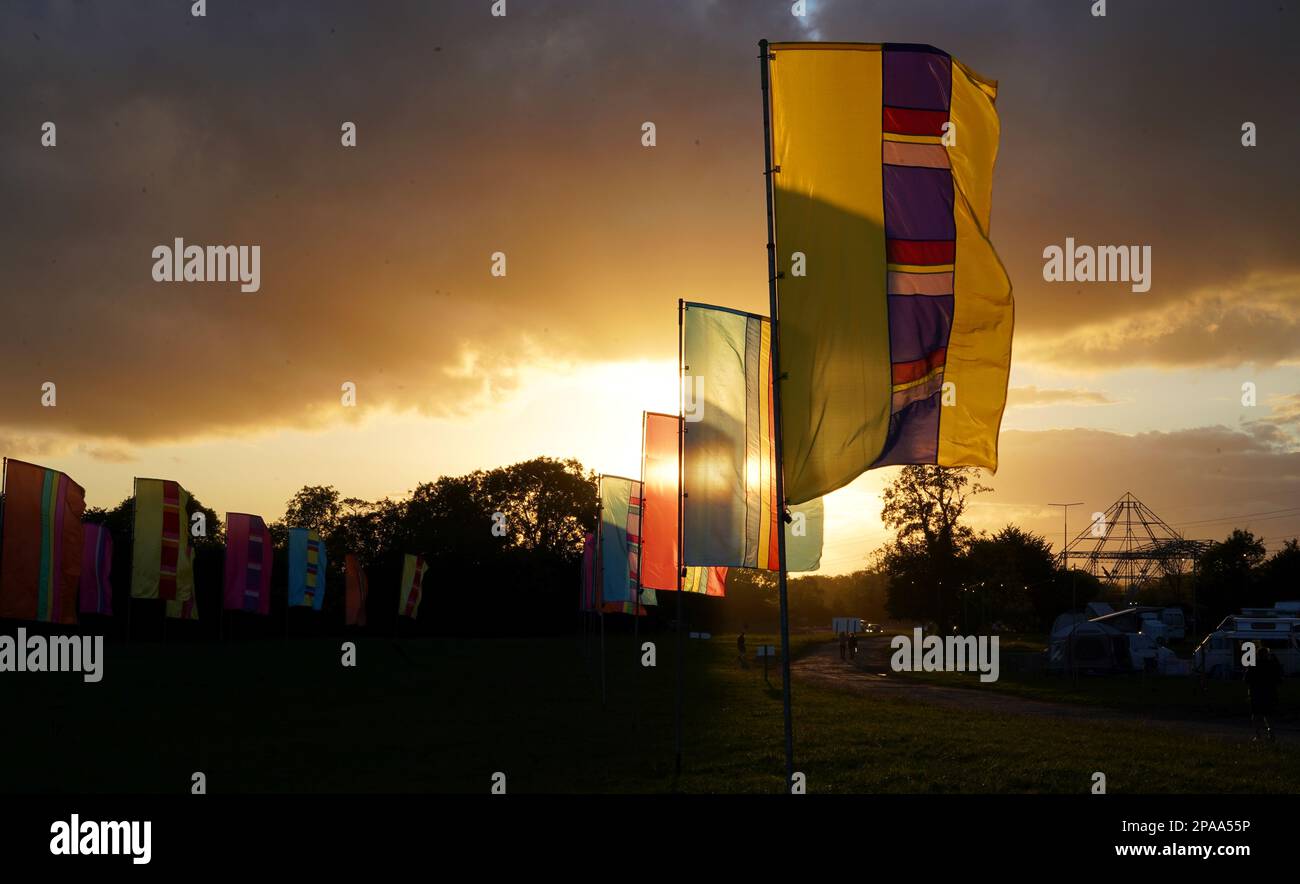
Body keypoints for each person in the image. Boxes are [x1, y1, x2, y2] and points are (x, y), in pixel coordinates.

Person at [1245, 644, 1283, 743]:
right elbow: (1279, 679)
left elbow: (1246, 679)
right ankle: (1271, 734)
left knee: (1256, 716)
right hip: (1270, 693)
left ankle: (1258, 735)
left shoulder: (1253, 665)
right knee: (1269, 716)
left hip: (1256, 693)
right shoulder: (1272, 665)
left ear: (1258, 654)